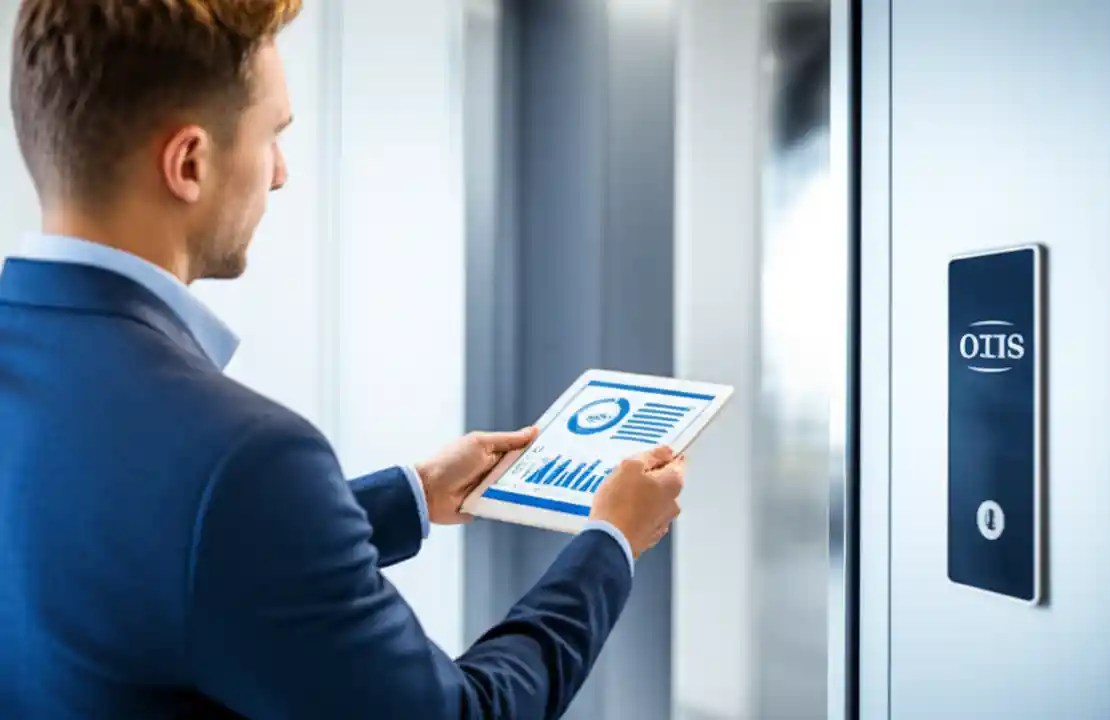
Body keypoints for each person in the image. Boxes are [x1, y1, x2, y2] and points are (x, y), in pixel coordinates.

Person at [0, 1, 685, 718]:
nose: (280, 175)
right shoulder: (246, 460)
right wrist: (610, 543)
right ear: (191, 162)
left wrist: (413, 495)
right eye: (273, 137)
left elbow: (137, 547)